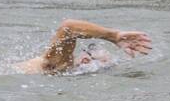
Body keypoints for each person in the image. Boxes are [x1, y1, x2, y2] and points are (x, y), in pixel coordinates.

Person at [12, 19, 152, 74]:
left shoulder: (63, 68)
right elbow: (68, 27)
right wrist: (113, 36)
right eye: (104, 65)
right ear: (86, 60)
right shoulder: (61, 64)